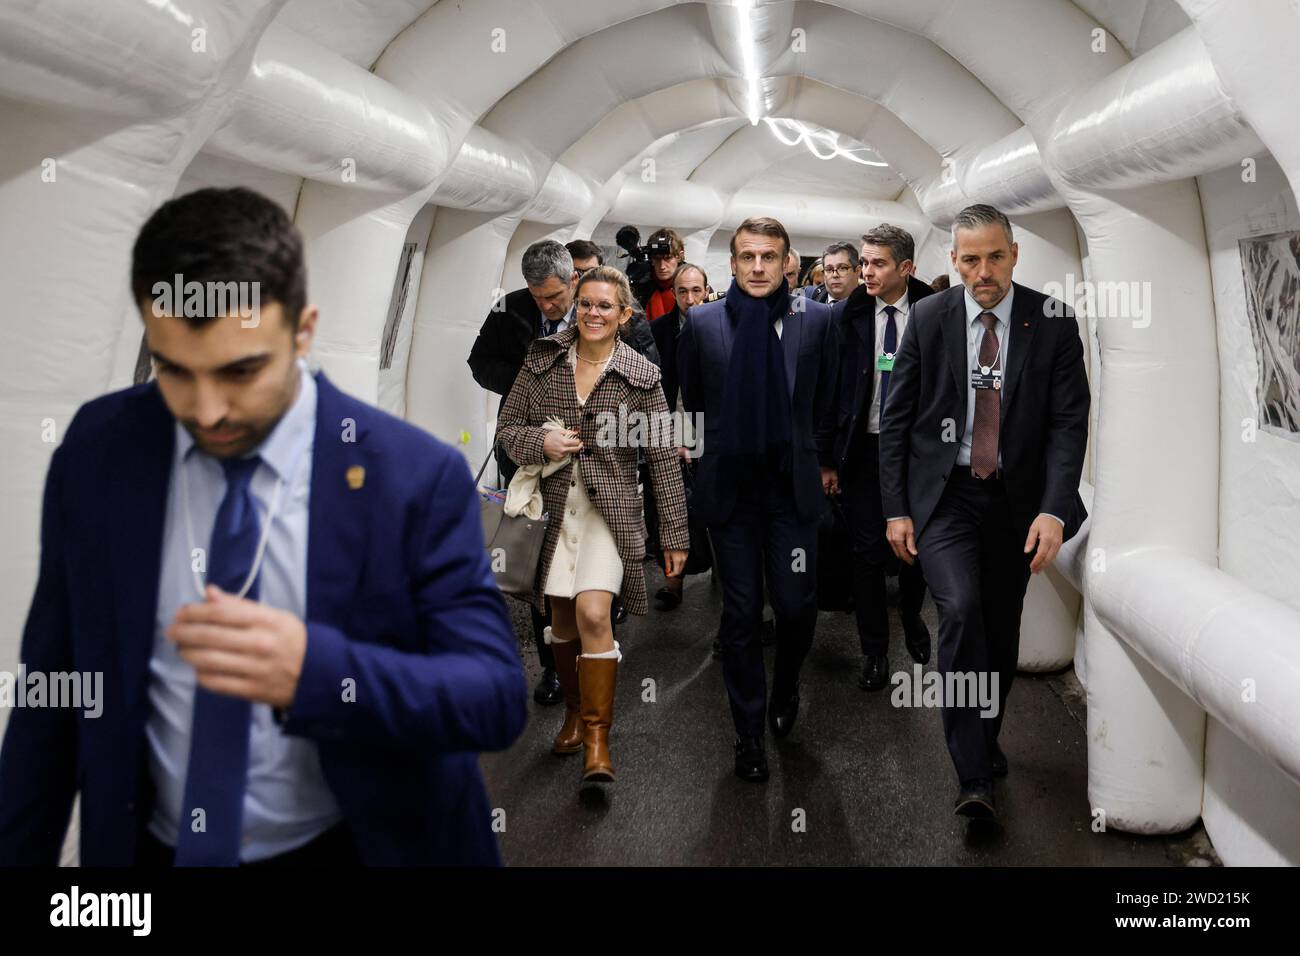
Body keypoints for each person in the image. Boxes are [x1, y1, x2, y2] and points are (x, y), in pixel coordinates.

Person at [0, 187, 527, 866]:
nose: (209, 410)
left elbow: (491, 696)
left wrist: (319, 672)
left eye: (241, 370)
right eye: (174, 371)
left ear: (303, 330)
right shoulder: (102, 448)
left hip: (355, 847)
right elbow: (54, 683)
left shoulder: (410, 477)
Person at [878, 203, 1089, 820]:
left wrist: (1053, 510)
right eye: (970, 259)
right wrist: (897, 508)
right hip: (946, 499)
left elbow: (1068, 425)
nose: (983, 271)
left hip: (1017, 505)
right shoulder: (928, 316)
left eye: (995, 256)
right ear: (954, 260)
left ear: (1015, 254)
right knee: (962, 612)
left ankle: (986, 739)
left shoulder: (1052, 321)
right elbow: (895, 420)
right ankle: (972, 773)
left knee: (1000, 632)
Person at [496, 266, 689, 786]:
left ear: (625, 315)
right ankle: (573, 714)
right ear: (574, 306)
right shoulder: (542, 361)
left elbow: (664, 460)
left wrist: (674, 535)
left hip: (611, 512)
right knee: (560, 620)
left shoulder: (642, 377)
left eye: (605, 306)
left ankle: (599, 739)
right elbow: (507, 429)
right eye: (585, 304)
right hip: (552, 511)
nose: (593, 314)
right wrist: (542, 443)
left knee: (593, 613)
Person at [679, 217, 839, 783]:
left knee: (796, 606)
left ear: (787, 262)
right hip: (732, 494)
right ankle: (747, 734)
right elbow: (692, 402)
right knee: (741, 613)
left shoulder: (816, 320)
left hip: (790, 491)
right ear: (732, 262)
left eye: (768, 257)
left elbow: (830, 399)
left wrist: (821, 461)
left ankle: (789, 681)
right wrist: (699, 461)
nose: (757, 267)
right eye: (747, 257)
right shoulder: (701, 323)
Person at [468, 240, 579, 707]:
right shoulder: (508, 308)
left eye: (554, 297)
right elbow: (479, 362)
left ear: (573, 280)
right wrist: (524, 384)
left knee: (583, 558)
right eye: (537, 298)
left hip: (585, 456)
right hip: (525, 454)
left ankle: (591, 651)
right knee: (540, 561)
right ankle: (553, 666)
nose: (547, 306)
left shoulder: (599, 305)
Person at [830, 224, 935, 691]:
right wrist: (827, 459)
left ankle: (911, 613)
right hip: (863, 449)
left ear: (906, 268)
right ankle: (874, 650)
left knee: (915, 547)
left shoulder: (935, 312)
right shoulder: (846, 315)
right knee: (865, 553)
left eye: (877, 264)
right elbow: (828, 391)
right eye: (863, 263)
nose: (865, 273)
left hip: (919, 453)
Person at [647, 262, 710, 609]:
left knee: (708, 501)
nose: (689, 298)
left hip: (708, 427)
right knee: (669, 505)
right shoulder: (658, 330)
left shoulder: (721, 325)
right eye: (682, 291)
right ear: (673, 294)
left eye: (695, 290)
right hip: (670, 425)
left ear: (706, 290)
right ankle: (674, 578)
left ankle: (719, 567)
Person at [632, 227, 684, 322]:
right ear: (651, 259)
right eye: (657, 259)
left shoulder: (694, 285)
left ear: (679, 257)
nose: (662, 266)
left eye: (667, 258)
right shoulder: (640, 288)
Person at [812, 241, 860, 306]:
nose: (835, 275)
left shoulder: (873, 304)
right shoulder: (810, 301)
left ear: (857, 271)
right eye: (829, 269)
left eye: (842, 268)